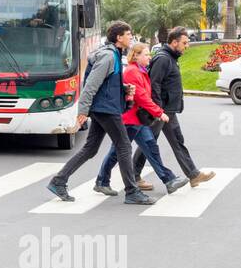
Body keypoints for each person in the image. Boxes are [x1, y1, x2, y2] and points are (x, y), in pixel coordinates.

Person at [46, 21, 148, 204]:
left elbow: (106, 83)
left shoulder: (113, 55)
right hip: (105, 109)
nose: (131, 37)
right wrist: (83, 111)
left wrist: (124, 89)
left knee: (90, 149)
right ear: (119, 38)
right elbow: (91, 85)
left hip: (104, 107)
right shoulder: (108, 56)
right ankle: (132, 192)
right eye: (128, 34)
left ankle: (58, 181)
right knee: (124, 146)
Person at [93, 42, 189, 196]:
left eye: (149, 54)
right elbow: (142, 97)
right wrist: (159, 112)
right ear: (136, 56)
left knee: (151, 148)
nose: (149, 57)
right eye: (145, 54)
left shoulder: (140, 71)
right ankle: (102, 181)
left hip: (138, 120)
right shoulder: (132, 72)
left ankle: (169, 180)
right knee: (116, 152)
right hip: (129, 119)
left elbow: (145, 95)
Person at [136, 26, 215, 187]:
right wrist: (157, 110)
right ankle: (133, 175)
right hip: (161, 111)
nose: (187, 46)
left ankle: (193, 175)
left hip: (168, 110)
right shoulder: (163, 59)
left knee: (167, 141)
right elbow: (154, 84)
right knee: (149, 142)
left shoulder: (170, 58)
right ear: (174, 42)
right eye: (184, 43)